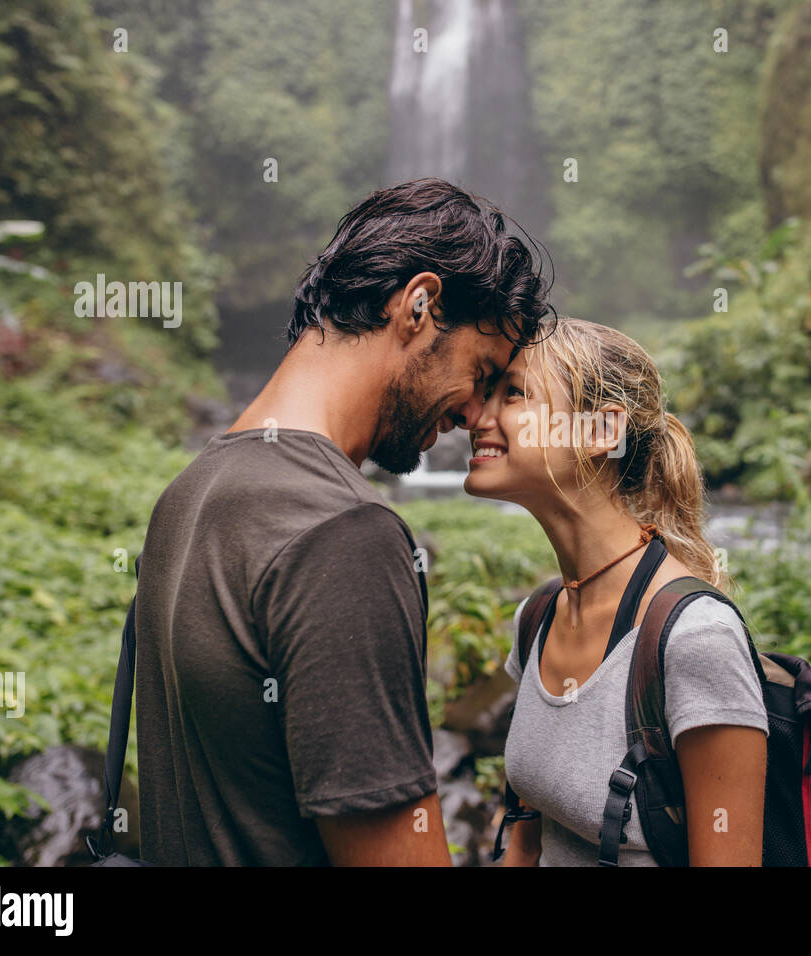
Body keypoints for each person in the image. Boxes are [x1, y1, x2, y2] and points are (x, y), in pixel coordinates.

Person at [135, 178, 554, 865]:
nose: (476, 415)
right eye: (481, 372)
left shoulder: (188, 493)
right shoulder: (343, 535)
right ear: (417, 306)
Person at [465, 317, 768, 866]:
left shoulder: (696, 638)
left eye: (512, 393)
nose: (475, 416)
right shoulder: (537, 618)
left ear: (604, 431)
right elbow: (527, 843)